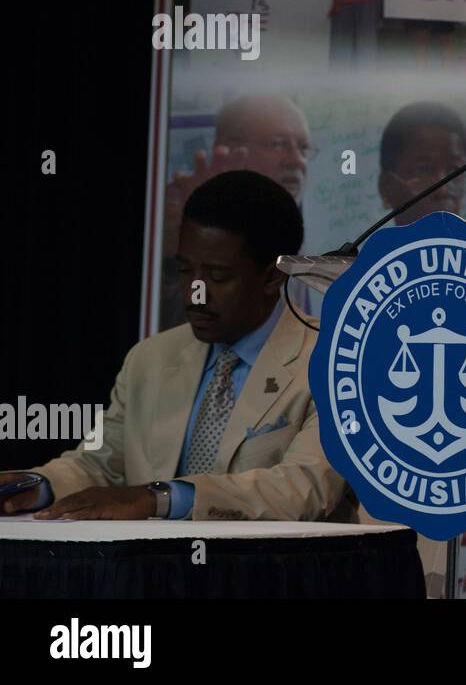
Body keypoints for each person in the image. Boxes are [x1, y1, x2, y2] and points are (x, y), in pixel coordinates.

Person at [0, 171, 353, 522]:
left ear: (273, 277)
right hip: (153, 576)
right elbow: (100, 463)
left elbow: (302, 489)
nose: (193, 294)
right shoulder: (150, 359)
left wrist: (161, 499)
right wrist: (39, 485)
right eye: (184, 271)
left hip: (270, 575)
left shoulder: (332, 362)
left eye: (217, 276)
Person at [159, 94, 315, 330]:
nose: (296, 161)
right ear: (226, 148)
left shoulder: (293, 238)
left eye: (303, 148)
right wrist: (170, 254)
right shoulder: (175, 225)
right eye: (277, 144)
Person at [378, 102, 466, 225]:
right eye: (424, 170)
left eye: (454, 171)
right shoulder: (373, 244)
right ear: (387, 188)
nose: (442, 190)